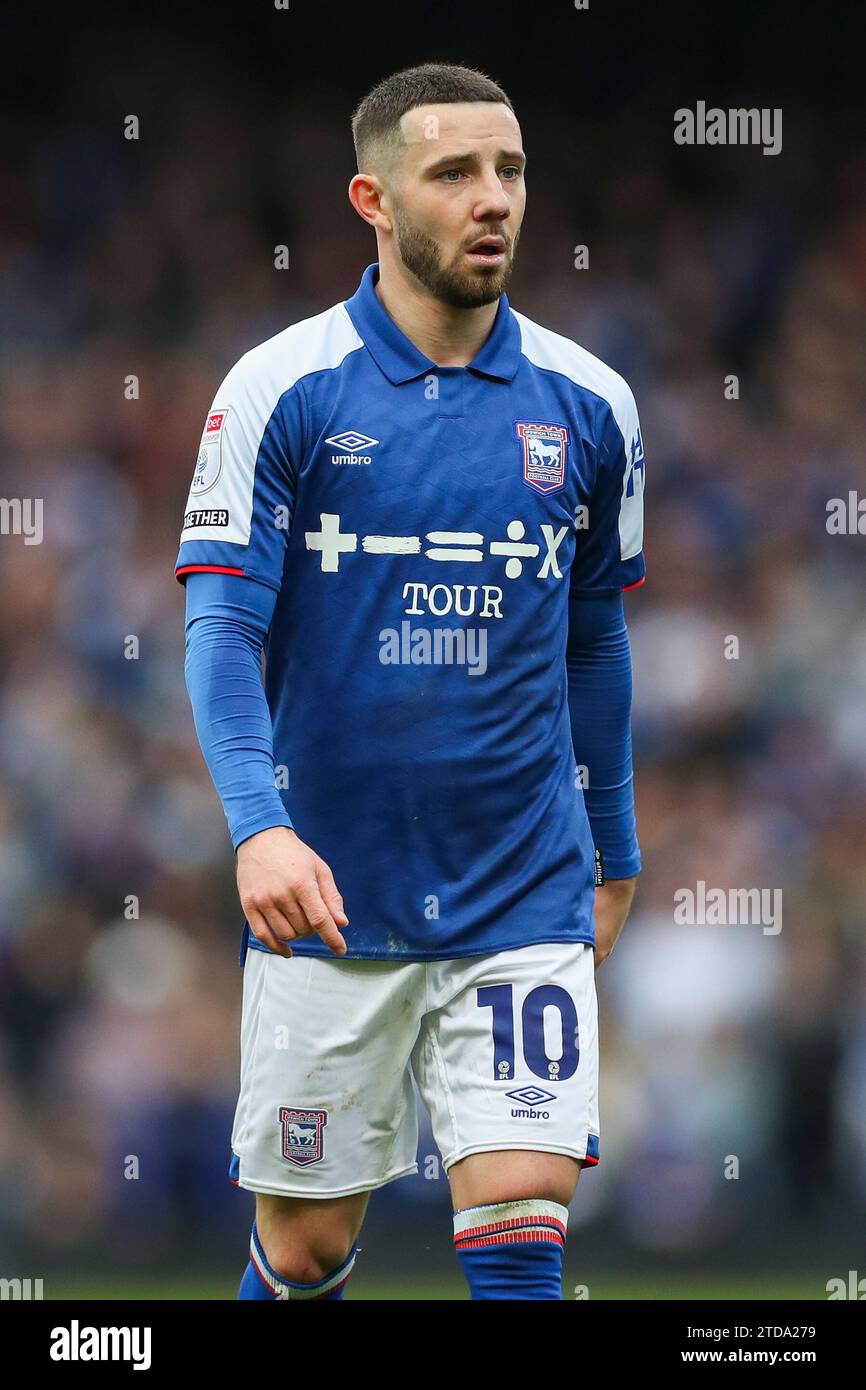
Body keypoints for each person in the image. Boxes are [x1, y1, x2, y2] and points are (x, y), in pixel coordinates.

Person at [178, 61, 646, 1301]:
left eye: (510, 171)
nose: (493, 200)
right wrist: (258, 830)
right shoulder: (278, 387)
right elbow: (219, 631)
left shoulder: (590, 405)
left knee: (518, 1219)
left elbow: (593, 639)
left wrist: (613, 842)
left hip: (521, 879)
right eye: (453, 174)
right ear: (373, 200)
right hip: (328, 889)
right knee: (304, 1248)